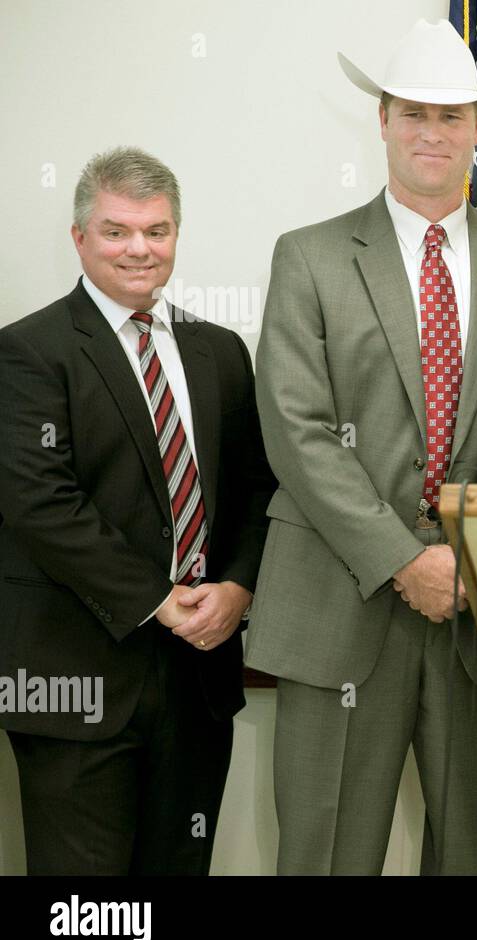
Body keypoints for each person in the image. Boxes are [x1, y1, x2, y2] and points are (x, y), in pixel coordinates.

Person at [245, 18, 477, 875]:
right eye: (414, 114)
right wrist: (404, 559)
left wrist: (474, 560)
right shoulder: (308, 257)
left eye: (452, 116)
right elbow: (296, 429)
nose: (433, 132)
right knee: (326, 855)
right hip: (337, 600)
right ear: (383, 121)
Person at [0, 147, 273, 874]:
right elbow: (38, 504)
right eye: (117, 231)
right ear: (80, 237)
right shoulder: (27, 352)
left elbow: (255, 489)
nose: (139, 249)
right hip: (76, 681)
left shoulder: (219, 351)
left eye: (157, 230)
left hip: (198, 682)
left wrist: (240, 585)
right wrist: (159, 600)